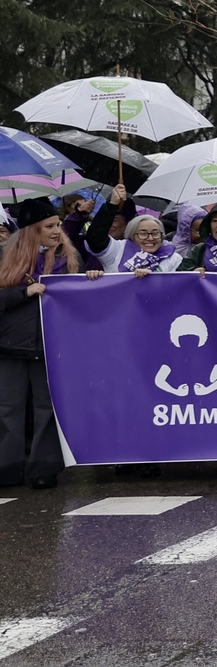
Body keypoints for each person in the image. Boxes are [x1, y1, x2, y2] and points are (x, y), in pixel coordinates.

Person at [0, 198, 93, 489]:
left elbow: (84, 294)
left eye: (58, 225)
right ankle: (7, 468)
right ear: (31, 231)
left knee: (47, 409)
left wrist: (92, 276)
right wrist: (24, 292)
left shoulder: (68, 257)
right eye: (49, 226)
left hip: (52, 346)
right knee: (8, 409)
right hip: (10, 346)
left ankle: (44, 468)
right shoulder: (4, 257)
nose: (57, 231)